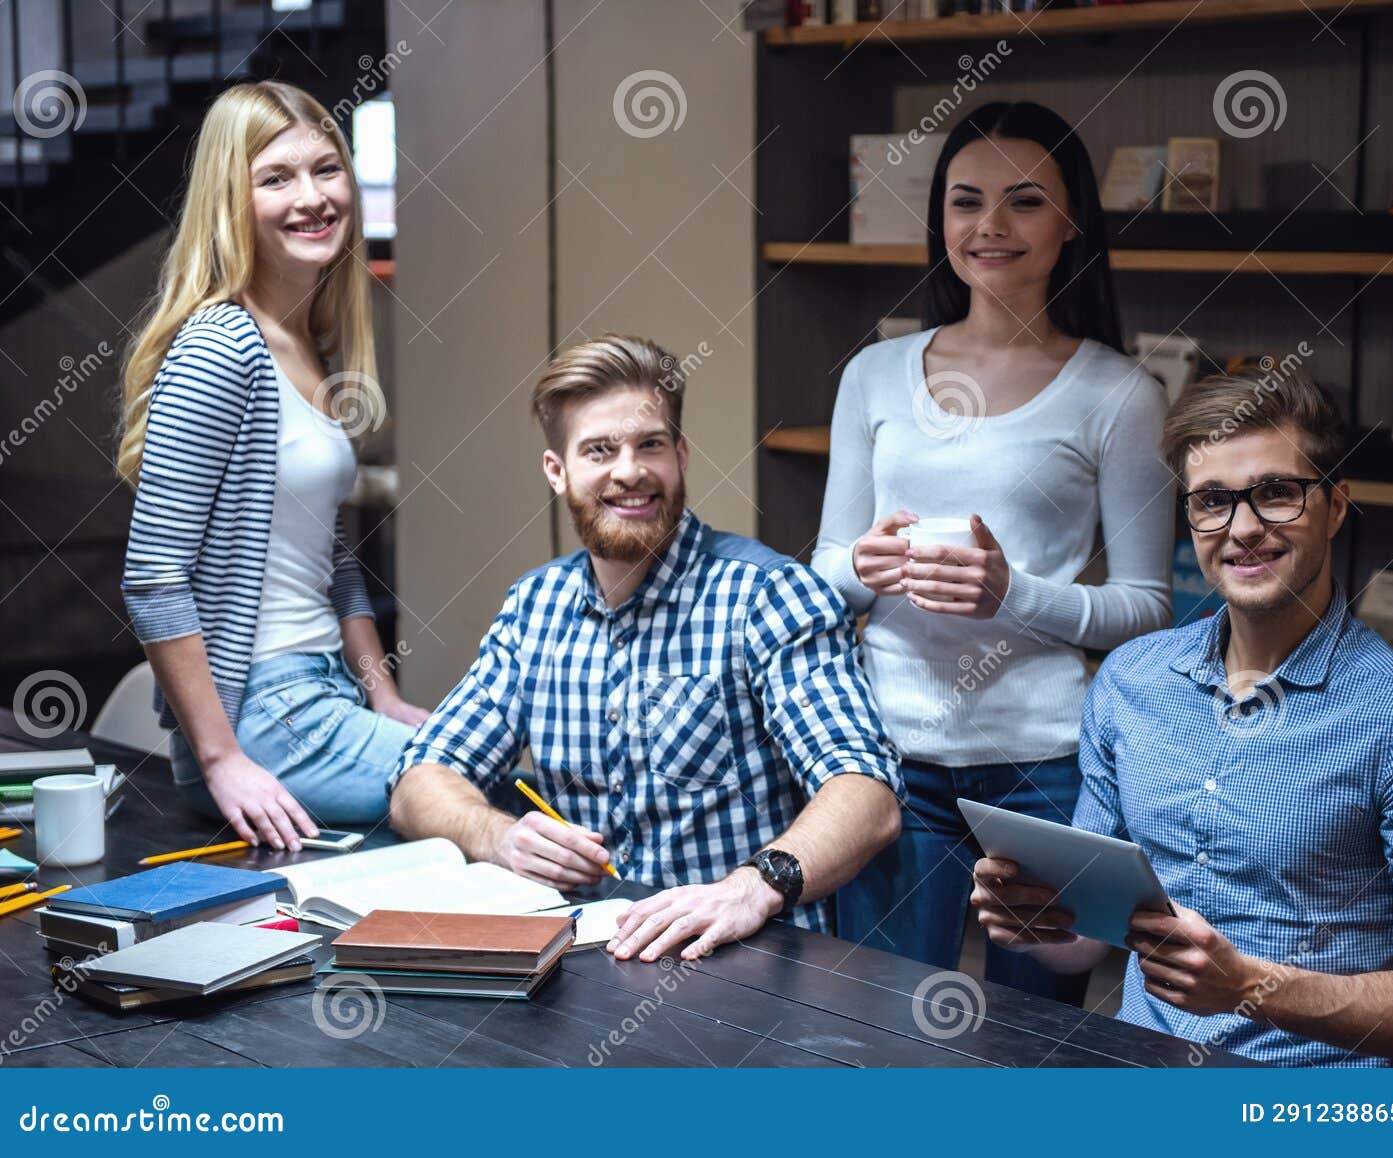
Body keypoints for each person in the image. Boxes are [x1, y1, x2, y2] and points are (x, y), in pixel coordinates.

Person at [971, 365, 1393, 1066]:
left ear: (1336, 505)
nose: (1244, 529)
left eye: (1275, 493)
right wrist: (1039, 922)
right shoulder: (1129, 682)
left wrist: (1251, 988)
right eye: (1212, 501)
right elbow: (1089, 937)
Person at [387, 334, 903, 963]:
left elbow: (866, 792)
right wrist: (496, 836)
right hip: (583, 962)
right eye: (599, 450)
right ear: (558, 471)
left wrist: (752, 889)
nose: (628, 471)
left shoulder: (769, 595)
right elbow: (420, 777)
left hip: (745, 961)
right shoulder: (535, 607)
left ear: (681, 455)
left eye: (649, 445)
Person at [812, 101, 1172, 999]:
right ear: (941, 221)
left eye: (1024, 203)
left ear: (1071, 222)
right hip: (887, 753)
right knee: (879, 1026)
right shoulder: (874, 374)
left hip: (1042, 763)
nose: (991, 227)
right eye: (966, 202)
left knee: (1032, 1039)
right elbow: (819, 573)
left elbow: (1147, 606)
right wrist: (863, 566)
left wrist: (1013, 592)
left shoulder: (1119, 393)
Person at [117, 82, 429, 851]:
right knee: (472, 779)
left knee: (481, 770)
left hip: (319, 690)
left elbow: (328, 554)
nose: (313, 197)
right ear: (232, 200)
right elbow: (153, 574)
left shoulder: (308, 346)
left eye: (327, 170)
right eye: (277, 178)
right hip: (262, 711)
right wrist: (222, 759)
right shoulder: (223, 346)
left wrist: (380, 693)